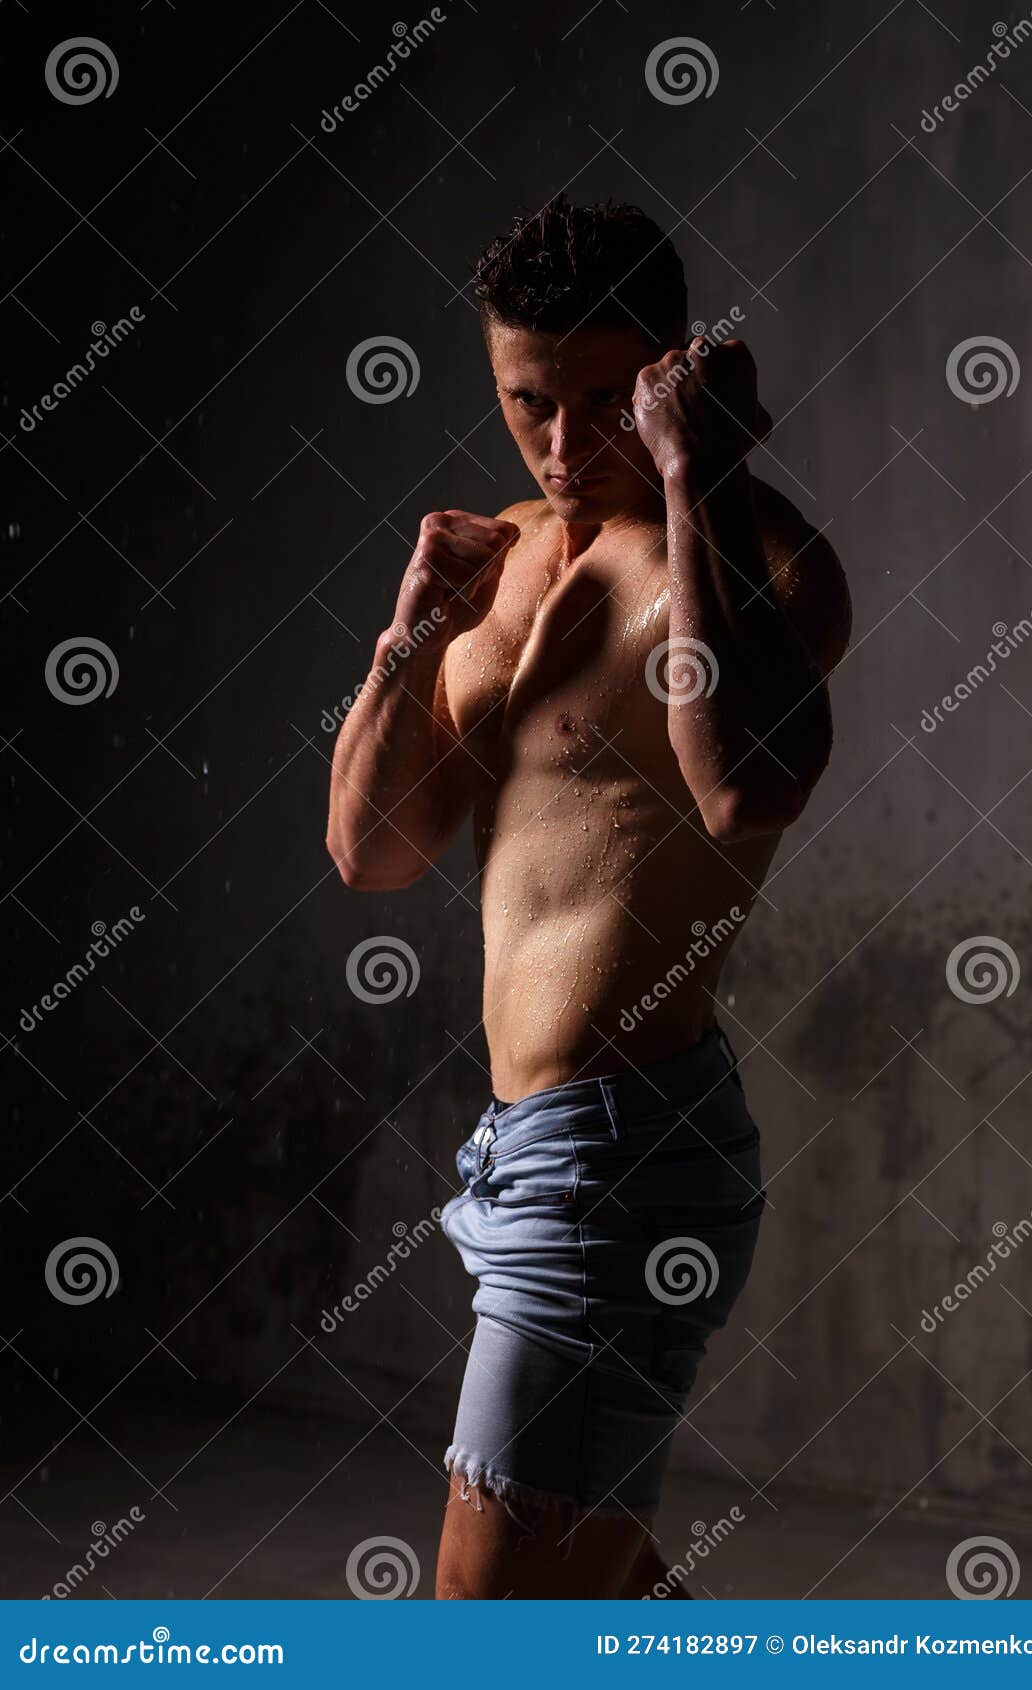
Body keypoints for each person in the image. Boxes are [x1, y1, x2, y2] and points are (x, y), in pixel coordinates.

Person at [326, 196, 851, 1599]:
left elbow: (745, 785)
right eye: (527, 402)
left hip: (622, 1162)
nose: (562, 446)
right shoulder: (501, 556)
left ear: (673, 372)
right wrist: (407, 640)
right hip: (523, 1152)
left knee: (483, 1624)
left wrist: (697, 472)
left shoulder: (757, 561)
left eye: (607, 402)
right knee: (601, 1594)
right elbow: (374, 852)